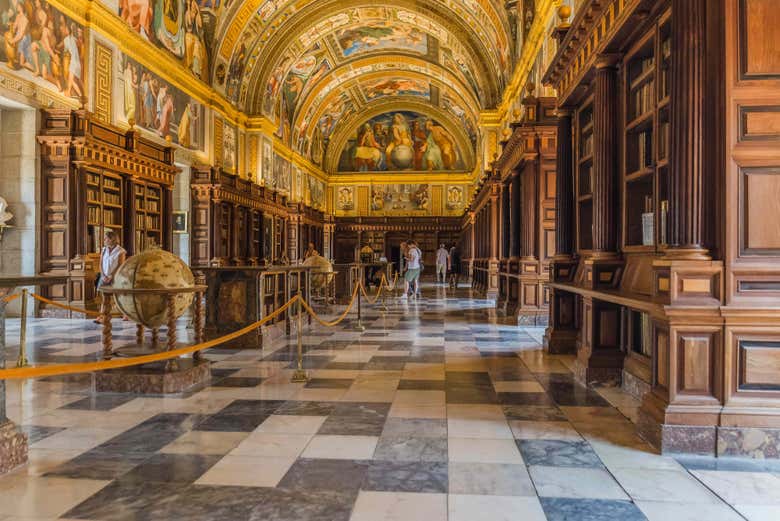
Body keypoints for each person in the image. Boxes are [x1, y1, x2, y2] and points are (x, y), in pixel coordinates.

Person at [94, 230, 126, 324]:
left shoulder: (121, 251)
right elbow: (100, 264)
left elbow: (120, 265)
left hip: (115, 277)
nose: (104, 240)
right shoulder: (104, 250)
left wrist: (111, 276)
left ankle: (126, 314)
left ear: (112, 239)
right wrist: (103, 275)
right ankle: (102, 316)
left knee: (118, 297)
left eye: (106, 238)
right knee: (104, 298)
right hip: (104, 277)